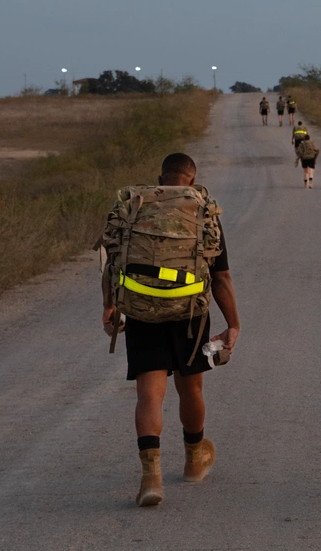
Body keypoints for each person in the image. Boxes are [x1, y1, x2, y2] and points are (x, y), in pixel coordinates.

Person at [102, 153, 241, 507]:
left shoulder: (136, 205)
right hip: (189, 313)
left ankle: (151, 478)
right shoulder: (201, 209)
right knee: (190, 388)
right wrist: (233, 324)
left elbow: (112, 260)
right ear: (192, 180)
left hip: (142, 310)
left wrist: (110, 305)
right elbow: (221, 277)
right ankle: (194, 460)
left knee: (149, 393)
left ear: (161, 178)